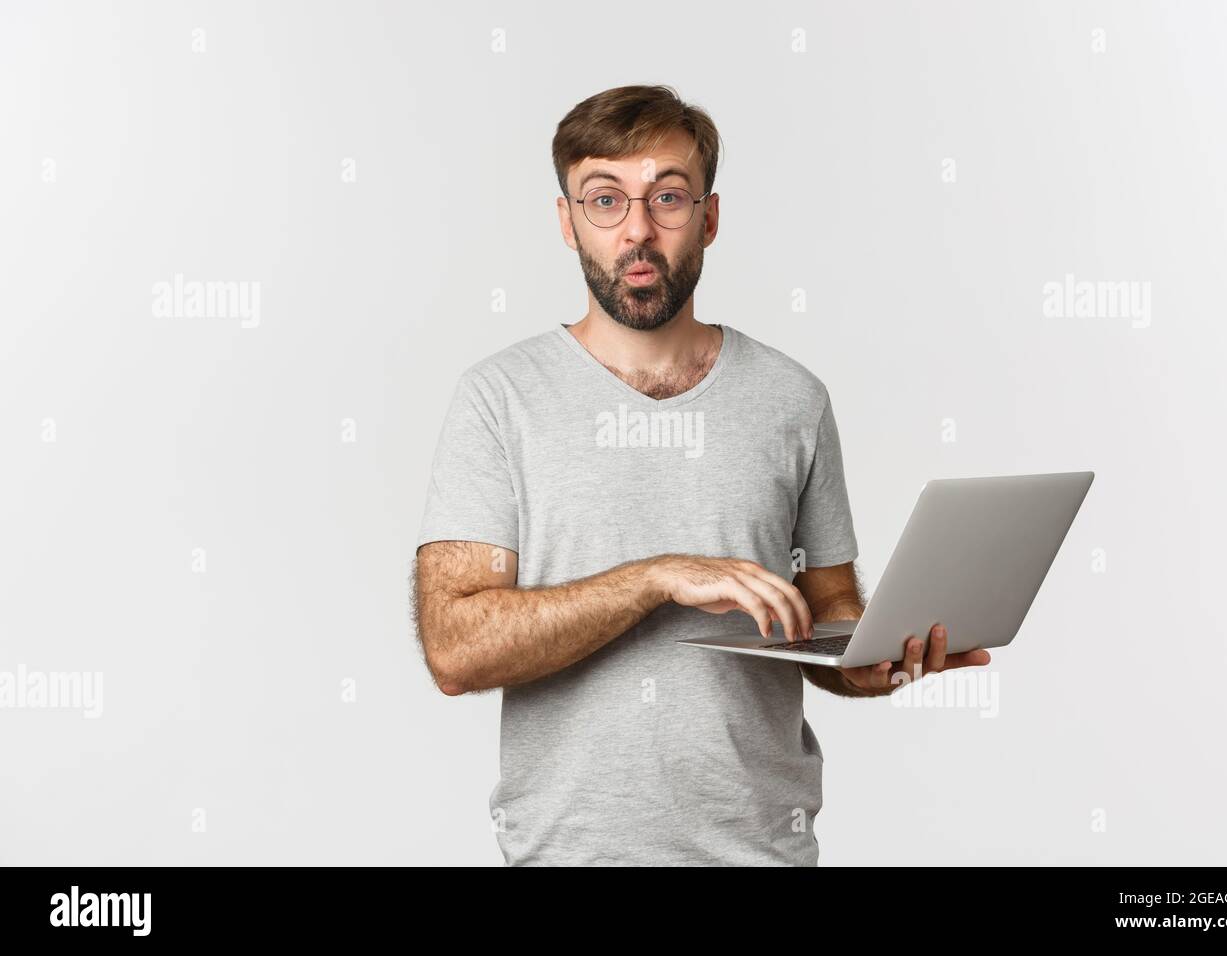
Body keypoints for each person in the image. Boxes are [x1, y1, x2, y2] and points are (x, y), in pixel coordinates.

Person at [412, 84, 991, 866]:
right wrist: (655, 578)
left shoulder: (793, 398)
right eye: (606, 200)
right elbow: (455, 649)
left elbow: (828, 614)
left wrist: (877, 659)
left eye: (669, 198)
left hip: (761, 850)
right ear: (567, 222)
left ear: (710, 218)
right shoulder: (499, 399)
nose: (638, 231)